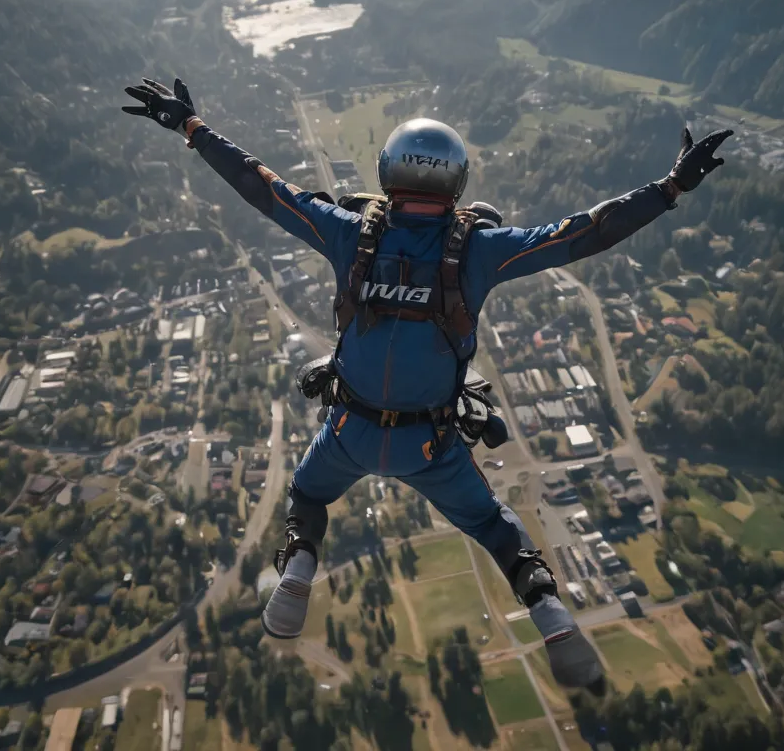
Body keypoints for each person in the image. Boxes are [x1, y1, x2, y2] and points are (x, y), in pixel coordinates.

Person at [123, 77, 732, 693]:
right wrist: (672, 185)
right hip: (431, 446)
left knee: (307, 498)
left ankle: (301, 561)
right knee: (497, 530)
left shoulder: (347, 233)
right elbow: (587, 232)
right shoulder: (481, 250)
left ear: (388, 174)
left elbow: (262, 186)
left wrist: (192, 128)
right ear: (457, 183)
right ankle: (547, 609)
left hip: (350, 432)